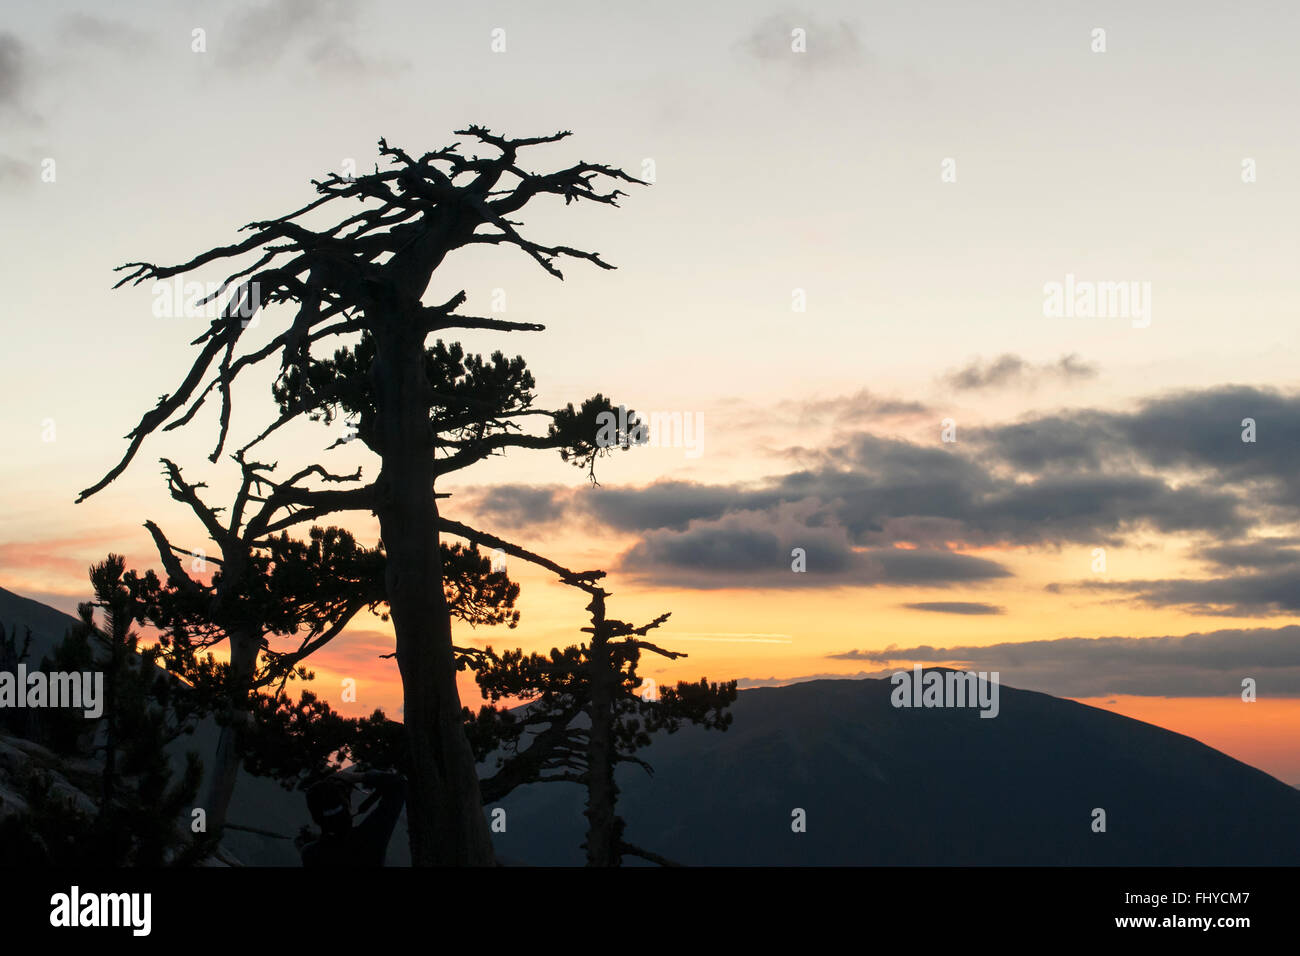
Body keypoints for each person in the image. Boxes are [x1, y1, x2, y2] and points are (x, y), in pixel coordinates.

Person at [300, 769, 406, 867]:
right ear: (347, 804)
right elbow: (399, 785)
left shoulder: (309, 854)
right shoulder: (368, 840)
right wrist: (356, 777)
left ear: (316, 820)